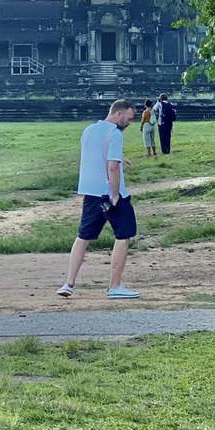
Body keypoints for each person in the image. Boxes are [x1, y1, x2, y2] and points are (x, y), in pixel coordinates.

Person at [58, 99, 140, 300]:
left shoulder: (89, 130)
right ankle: (115, 285)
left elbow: (96, 154)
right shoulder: (114, 133)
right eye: (128, 119)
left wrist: (121, 156)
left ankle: (69, 283)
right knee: (123, 236)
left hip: (90, 193)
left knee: (83, 236)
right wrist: (114, 194)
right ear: (119, 114)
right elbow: (112, 167)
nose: (129, 123)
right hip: (111, 194)